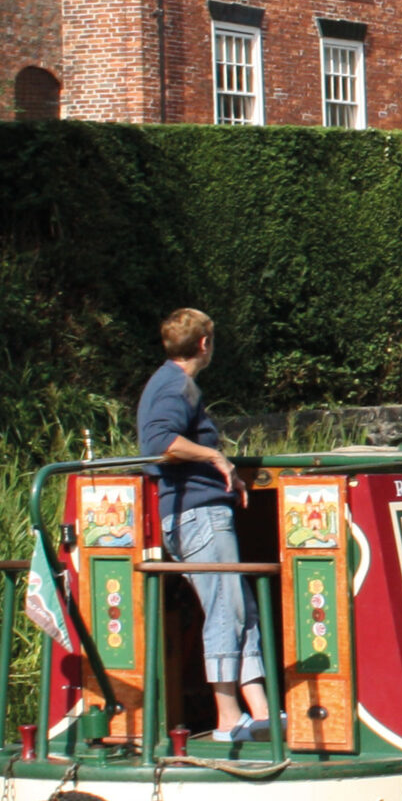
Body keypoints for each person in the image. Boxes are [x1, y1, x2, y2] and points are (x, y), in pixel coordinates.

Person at [137, 309, 269, 743]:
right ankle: (229, 717)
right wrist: (216, 458)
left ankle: (262, 712)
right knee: (224, 609)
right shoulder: (176, 386)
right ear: (204, 345)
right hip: (198, 515)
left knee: (238, 606)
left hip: (194, 512)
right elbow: (160, 440)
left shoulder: (170, 382)